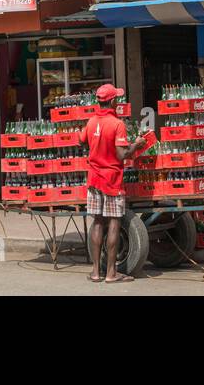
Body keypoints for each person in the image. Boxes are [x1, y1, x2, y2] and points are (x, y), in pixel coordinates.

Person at [79, 83, 146, 284]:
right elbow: (122, 154)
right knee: (115, 223)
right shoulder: (117, 124)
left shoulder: (90, 122)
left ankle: (95, 272)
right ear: (113, 101)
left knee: (98, 222)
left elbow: (81, 140)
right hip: (112, 180)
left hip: (94, 178)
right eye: (117, 98)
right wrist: (137, 144)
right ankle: (111, 273)